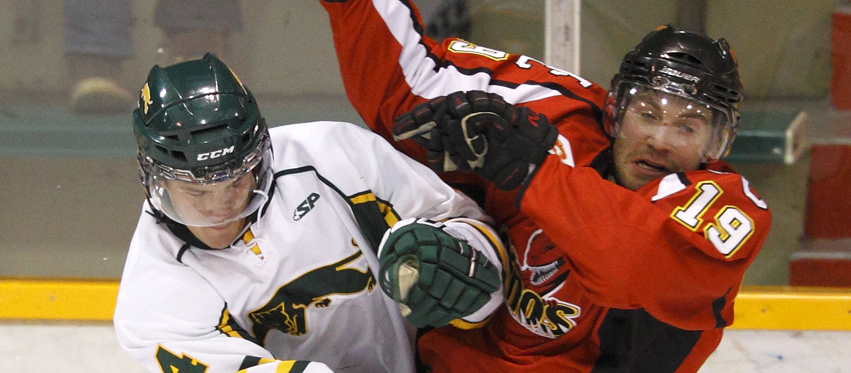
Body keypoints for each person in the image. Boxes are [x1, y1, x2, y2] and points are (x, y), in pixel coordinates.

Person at [318, 0, 772, 371]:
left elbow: (631, 263)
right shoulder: (556, 115)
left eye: (688, 127)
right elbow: (404, 85)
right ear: (615, 110)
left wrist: (529, 171)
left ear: (716, 144)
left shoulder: (730, 210)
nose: (659, 139)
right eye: (647, 113)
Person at [112, 53, 507, 373]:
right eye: (196, 192)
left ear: (260, 159)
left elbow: (473, 240)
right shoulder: (150, 298)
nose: (219, 208)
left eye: (235, 183)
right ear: (156, 181)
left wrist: (464, 263)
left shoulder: (337, 154)